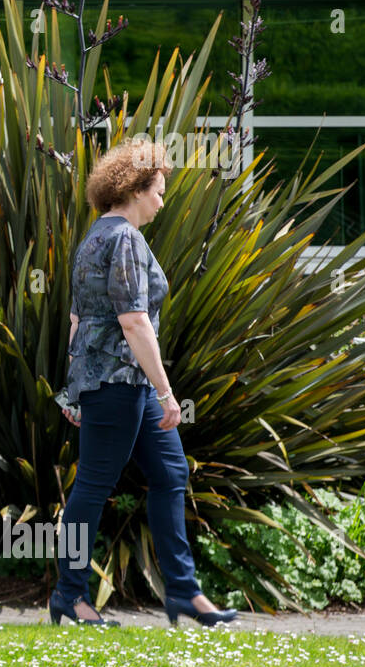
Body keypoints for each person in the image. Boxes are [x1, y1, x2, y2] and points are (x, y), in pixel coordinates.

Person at [54, 137, 237, 627]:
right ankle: (70, 597)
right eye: (158, 191)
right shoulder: (126, 240)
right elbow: (134, 322)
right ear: (134, 189)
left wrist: (73, 388)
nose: (162, 201)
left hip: (107, 381)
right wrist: (166, 392)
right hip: (122, 383)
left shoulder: (93, 237)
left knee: (170, 474)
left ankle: (182, 594)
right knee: (92, 486)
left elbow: (76, 320)